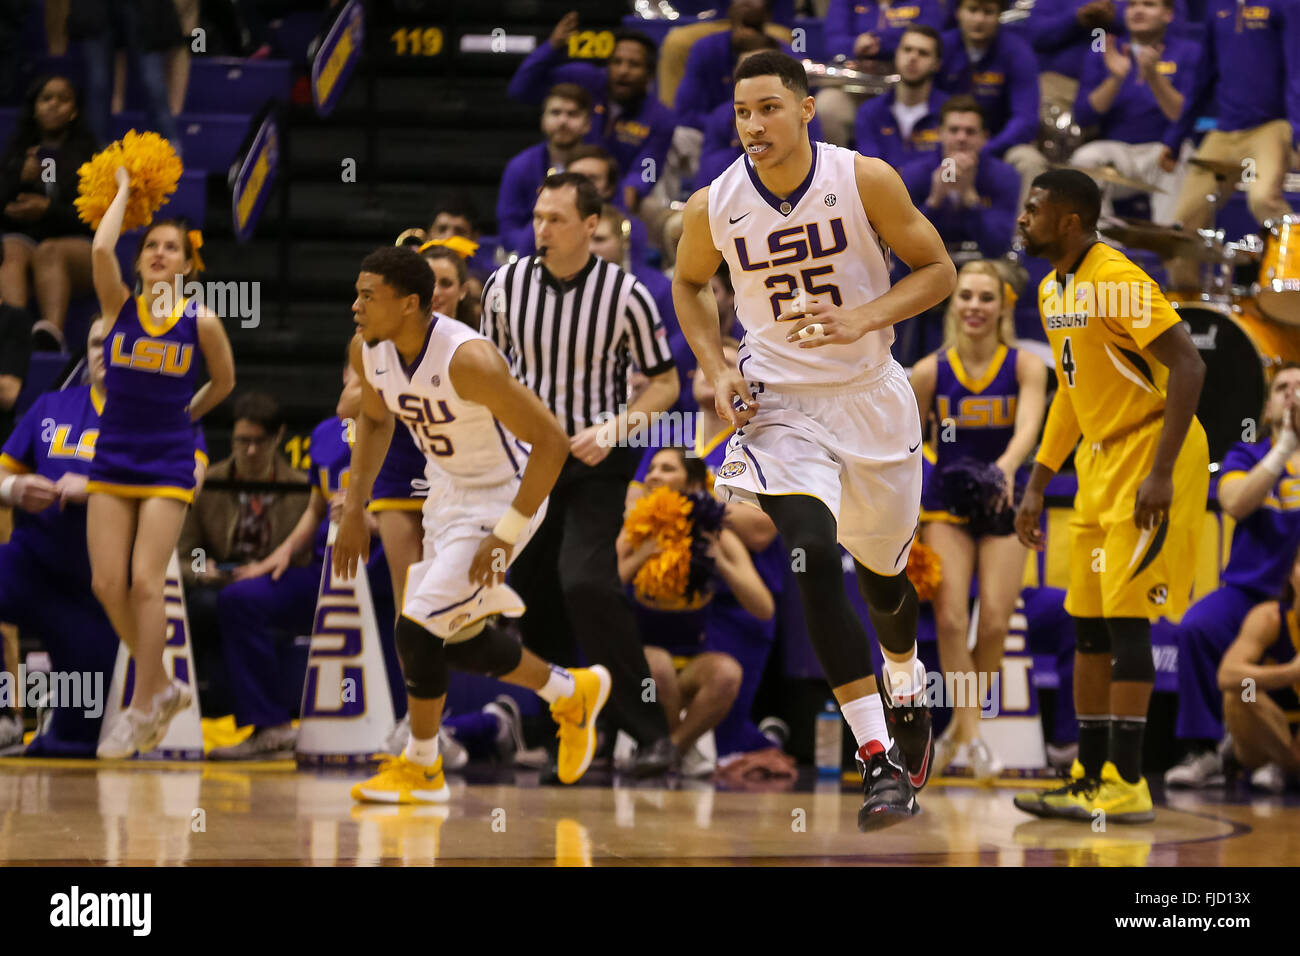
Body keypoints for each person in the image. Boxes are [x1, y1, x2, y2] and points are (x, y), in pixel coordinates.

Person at [672, 51, 957, 829]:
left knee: (886, 587)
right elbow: (689, 284)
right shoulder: (714, 202)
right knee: (809, 550)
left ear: (806, 109)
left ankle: (905, 682)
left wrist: (865, 317)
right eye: (741, 112)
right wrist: (714, 362)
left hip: (871, 398)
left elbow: (939, 270)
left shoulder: (864, 177)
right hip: (780, 403)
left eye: (768, 107)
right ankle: (877, 761)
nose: (753, 125)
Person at [335, 246, 612, 802]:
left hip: (504, 496)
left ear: (409, 304)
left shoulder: (469, 359)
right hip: (447, 495)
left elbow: (552, 444)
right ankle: (569, 691)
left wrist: (506, 534)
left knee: (415, 626)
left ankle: (422, 766)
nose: (355, 307)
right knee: (452, 642)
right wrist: (354, 507)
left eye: (369, 296)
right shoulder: (369, 352)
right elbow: (372, 417)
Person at [1012, 168, 1208, 823]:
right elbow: (1071, 394)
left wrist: (1160, 470)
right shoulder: (1050, 288)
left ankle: (1129, 781)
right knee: (1087, 625)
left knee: (1128, 623)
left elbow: (1190, 363)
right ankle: (1088, 773)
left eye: (1033, 209)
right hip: (1099, 457)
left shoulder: (1116, 279)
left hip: (1154, 450)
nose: (1022, 219)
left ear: (1069, 221)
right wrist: (1039, 482)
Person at [482, 172, 681, 777]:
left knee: (588, 583)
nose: (542, 228)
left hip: (599, 456)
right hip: (530, 460)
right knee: (535, 601)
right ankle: (567, 733)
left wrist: (615, 429)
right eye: (538, 217)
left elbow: (667, 383)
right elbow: (488, 376)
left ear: (591, 226)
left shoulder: (627, 295)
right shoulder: (503, 286)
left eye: (556, 219)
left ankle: (651, 734)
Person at [86, 168, 236, 759]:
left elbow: (223, 383)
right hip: (114, 452)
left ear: (186, 266)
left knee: (147, 582)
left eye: (170, 248)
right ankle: (166, 685)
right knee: (106, 583)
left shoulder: (202, 321)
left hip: (170, 456)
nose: (158, 253)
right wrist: (126, 191)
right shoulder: (116, 304)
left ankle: (146, 703)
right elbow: (101, 246)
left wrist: (187, 413)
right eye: (151, 245)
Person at [0, 318, 202, 756]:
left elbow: (193, 481)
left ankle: (61, 738)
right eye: (95, 343)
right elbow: (3, 471)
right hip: (30, 562)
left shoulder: (168, 415)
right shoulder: (51, 406)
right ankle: (4, 716)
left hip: (100, 592)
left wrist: (96, 487)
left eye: (117, 343)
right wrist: (14, 489)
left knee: (77, 740)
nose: (105, 352)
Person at [206, 362, 399, 759]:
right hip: (325, 573)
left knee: (401, 647)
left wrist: (370, 523)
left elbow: (419, 514)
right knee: (240, 599)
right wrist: (274, 559)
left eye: (366, 374)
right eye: (350, 372)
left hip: (382, 573)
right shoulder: (325, 434)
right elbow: (315, 510)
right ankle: (271, 727)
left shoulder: (403, 429)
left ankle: (422, 732)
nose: (354, 382)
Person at [909, 260, 1048, 780]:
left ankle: (958, 731)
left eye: (986, 297)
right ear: (953, 302)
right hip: (946, 501)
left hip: (1004, 500)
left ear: (1003, 306)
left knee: (992, 621)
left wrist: (1004, 470)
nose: (974, 306)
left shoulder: (1024, 367)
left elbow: (1028, 429)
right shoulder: (928, 370)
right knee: (947, 618)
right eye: (965, 295)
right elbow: (907, 439)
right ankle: (972, 737)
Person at [1165, 364, 1300, 788]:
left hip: (1297, 599)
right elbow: (1235, 504)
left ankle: (1274, 752)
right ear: (1267, 407)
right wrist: (1285, 450)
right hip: (1248, 592)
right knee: (1196, 626)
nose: (1292, 395)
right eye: (1282, 388)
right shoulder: (1248, 452)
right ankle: (1205, 750)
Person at [618, 446, 775, 774]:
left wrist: (719, 560)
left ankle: (672, 749)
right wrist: (644, 552)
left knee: (727, 673)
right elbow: (606, 586)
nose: (654, 475)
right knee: (657, 664)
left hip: (692, 661)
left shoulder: (715, 534)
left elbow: (763, 607)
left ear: (692, 485)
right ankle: (671, 750)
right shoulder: (635, 528)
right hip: (641, 662)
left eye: (667, 469)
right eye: (652, 469)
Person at [178, 391, 309, 714]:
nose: (250, 450)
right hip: (217, 582)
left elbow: (303, 558)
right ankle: (196, 702)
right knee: (208, 605)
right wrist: (201, 567)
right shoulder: (207, 484)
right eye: (241, 440)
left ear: (279, 436)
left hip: (272, 581)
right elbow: (185, 552)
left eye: (259, 441)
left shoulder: (300, 488)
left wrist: (263, 570)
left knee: (244, 604)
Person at [1160, 0, 1300, 290]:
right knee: (1181, 224)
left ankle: (1292, 282)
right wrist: (1174, 139)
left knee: (1263, 199)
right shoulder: (1217, 7)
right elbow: (1202, 78)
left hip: (1271, 126)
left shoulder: (1286, 4)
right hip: (1224, 131)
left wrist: (1298, 133)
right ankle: (1190, 305)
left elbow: (1296, 72)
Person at [507, 15, 675, 216]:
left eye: (633, 65)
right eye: (617, 62)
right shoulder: (584, 79)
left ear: (649, 75)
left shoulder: (660, 117)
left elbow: (650, 168)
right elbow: (521, 89)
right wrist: (551, 48)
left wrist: (634, 188)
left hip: (618, 192)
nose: (623, 70)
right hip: (567, 177)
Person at [1069, 0, 1199, 224]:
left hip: (1162, 149)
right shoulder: (1103, 50)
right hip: (1118, 153)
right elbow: (1083, 116)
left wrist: (1153, 76)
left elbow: (1182, 115)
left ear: (1168, 14)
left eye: (1149, 4)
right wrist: (1115, 80)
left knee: (1181, 155)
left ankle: (1167, 244)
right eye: (1131, 5)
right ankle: (1101, 244)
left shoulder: (1188, 52)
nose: (1138, 10)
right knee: (1085, 158)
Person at [0, 75, 100, 352]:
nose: (54, 105)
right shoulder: (16, 153)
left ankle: (51, 336)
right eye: (46, 98)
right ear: (34, 108)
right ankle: (14, 337)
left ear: (74, 110)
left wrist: (47, 210)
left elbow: (95, 219)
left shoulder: (91, 157)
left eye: (63, 99)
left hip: (76, 248)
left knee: (49, 251)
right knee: (8, 249)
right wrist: (17, 179)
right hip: (26, 242)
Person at [938, 0, 1045, 205]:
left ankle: (1021, 236)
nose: (979, 19)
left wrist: (984, 148)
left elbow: (1026, 119)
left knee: (1030, 161)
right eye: (973, 10)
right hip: (945, 141)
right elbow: (929, 106)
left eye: (988, 12)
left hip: (997, 146)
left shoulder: (1017, 51)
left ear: (999, 15)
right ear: (958, 12)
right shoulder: (941, 47)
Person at [1217, 545, 1300, 793]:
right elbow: (1227, 675)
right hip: (1266, 725)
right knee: (1242, 689)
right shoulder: (1269, 618)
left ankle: (1284, 765)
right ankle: (1282, 762)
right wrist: (1290, 673)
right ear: (1292, 575)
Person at [817, 0, 946, 147]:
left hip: (902, 85)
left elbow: (929, 38)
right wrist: (855, 44)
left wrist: (880, 43)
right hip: (854, 85)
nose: (913, 56)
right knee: (826, 106)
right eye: (907, 50)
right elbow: (832, 44)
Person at [496, 84, 593, 256]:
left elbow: (613, 218)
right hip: (534, 253)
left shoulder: (599, 166)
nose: (563, 121)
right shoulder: (519, 166)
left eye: (572, 114)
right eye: (555, 113)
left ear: (587, 124)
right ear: (543, 121)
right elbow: (509, 230)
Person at [854, 25, 945, 168]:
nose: (913, 57)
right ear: (896, 54)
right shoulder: (870, 112)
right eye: (907, 50)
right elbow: (869, 171)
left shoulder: (948, 112)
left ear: (937, 64)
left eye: (923, 53)